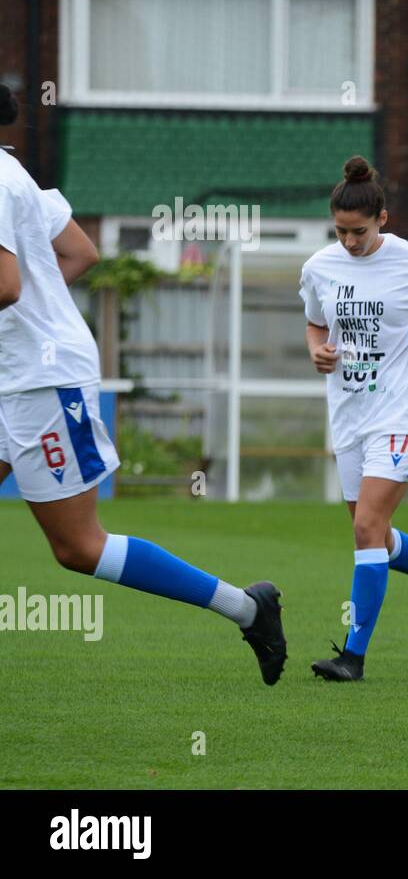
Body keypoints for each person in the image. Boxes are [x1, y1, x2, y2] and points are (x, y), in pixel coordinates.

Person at [0, 83, 287, 684]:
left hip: (40, 383)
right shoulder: (14, 172)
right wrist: (41, 316)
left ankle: (246, 607)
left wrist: (32, 322)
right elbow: (79, 252)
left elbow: (6, 286)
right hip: (22, 370)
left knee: (78, 548)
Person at [299, 156, 408, 681]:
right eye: (341, 232)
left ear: (383, 220)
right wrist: (317, 351)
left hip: (400, 413)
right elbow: (314, 323)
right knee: (373, 532)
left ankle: (353, 655)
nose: (349, 242)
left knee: (367, 528)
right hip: (348, 414)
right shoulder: (319, 267)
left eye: (359, 232)